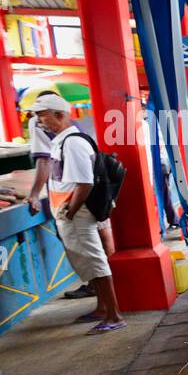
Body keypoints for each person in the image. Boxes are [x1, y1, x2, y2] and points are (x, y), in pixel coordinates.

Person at [32, 93, 125, 334]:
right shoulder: (61, 141)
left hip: (77, 212)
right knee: (88, 262)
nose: (38, 120)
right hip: (70, 210)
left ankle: (114, 315)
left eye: (42, 115)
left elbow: (84, 183)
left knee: (95, 262)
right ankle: (102, 308)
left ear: (60, 115)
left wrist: (71, 212)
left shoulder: (72, 142)